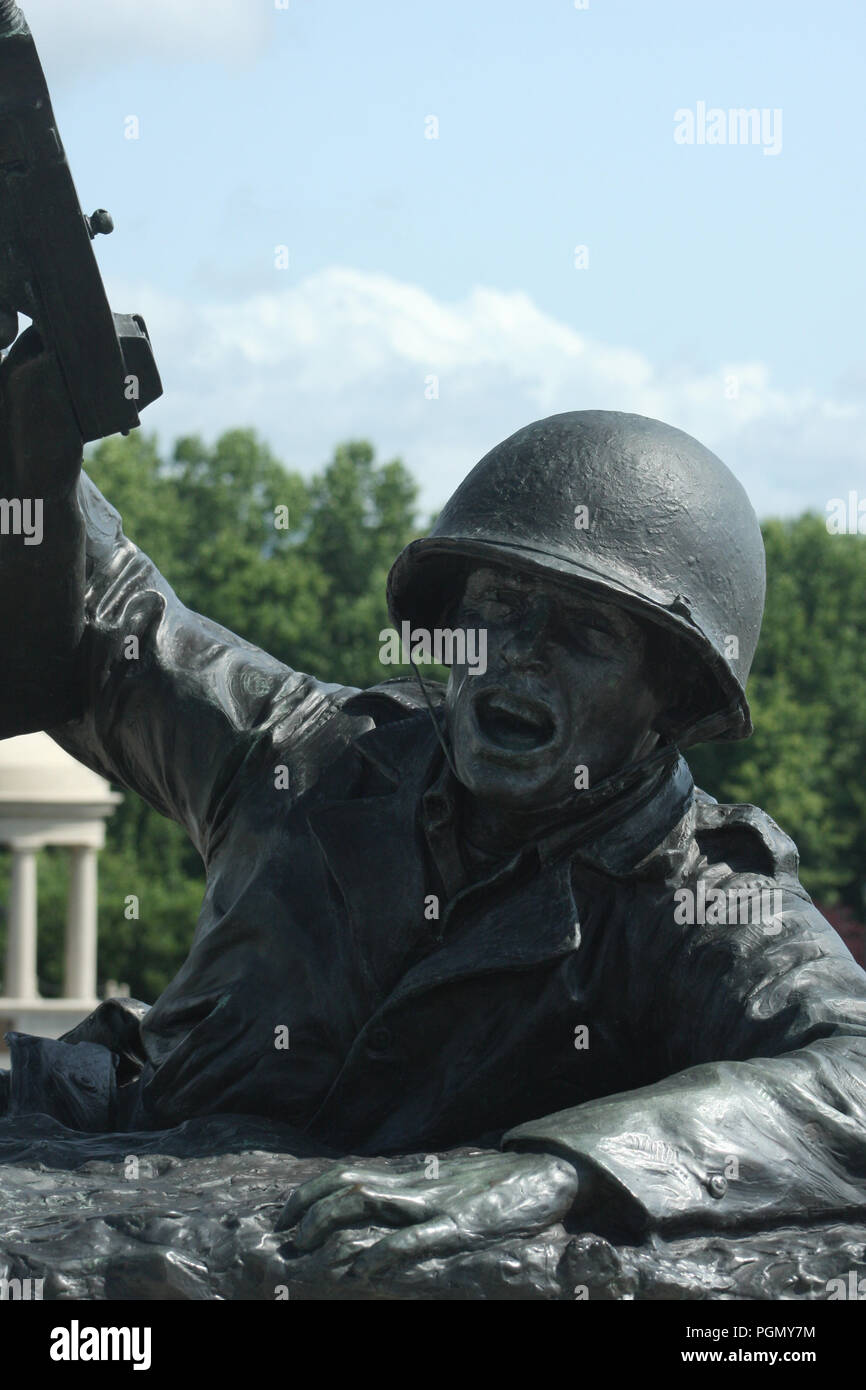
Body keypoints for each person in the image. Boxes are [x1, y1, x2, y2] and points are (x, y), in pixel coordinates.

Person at [1, 331, 865, 1278]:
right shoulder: (306, 752)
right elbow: (99, 637)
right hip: (100, 1155)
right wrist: (38, 441)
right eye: (498, 603)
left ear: (672, 702)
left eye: (585, 632)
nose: (520, 650)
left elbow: (854, 1078)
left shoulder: (690, 893)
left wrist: (560, 1171)